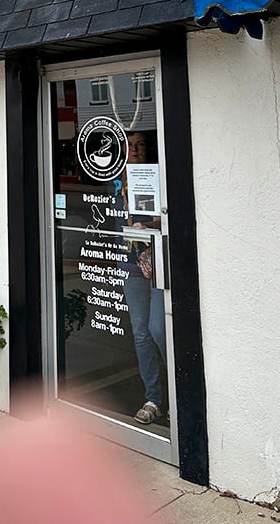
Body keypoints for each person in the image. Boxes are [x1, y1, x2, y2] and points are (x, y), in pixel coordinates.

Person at [122, 130, 167, 425]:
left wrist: (148, 224)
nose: (136, 150)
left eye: (140, 144)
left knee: (158, 329)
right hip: (132, 266)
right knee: (140, 333)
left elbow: (169, 214)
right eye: (130, 145)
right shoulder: (118, 181)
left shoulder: (158, 176)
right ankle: (154, 399)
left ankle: (180, 389)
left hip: (159, 264)